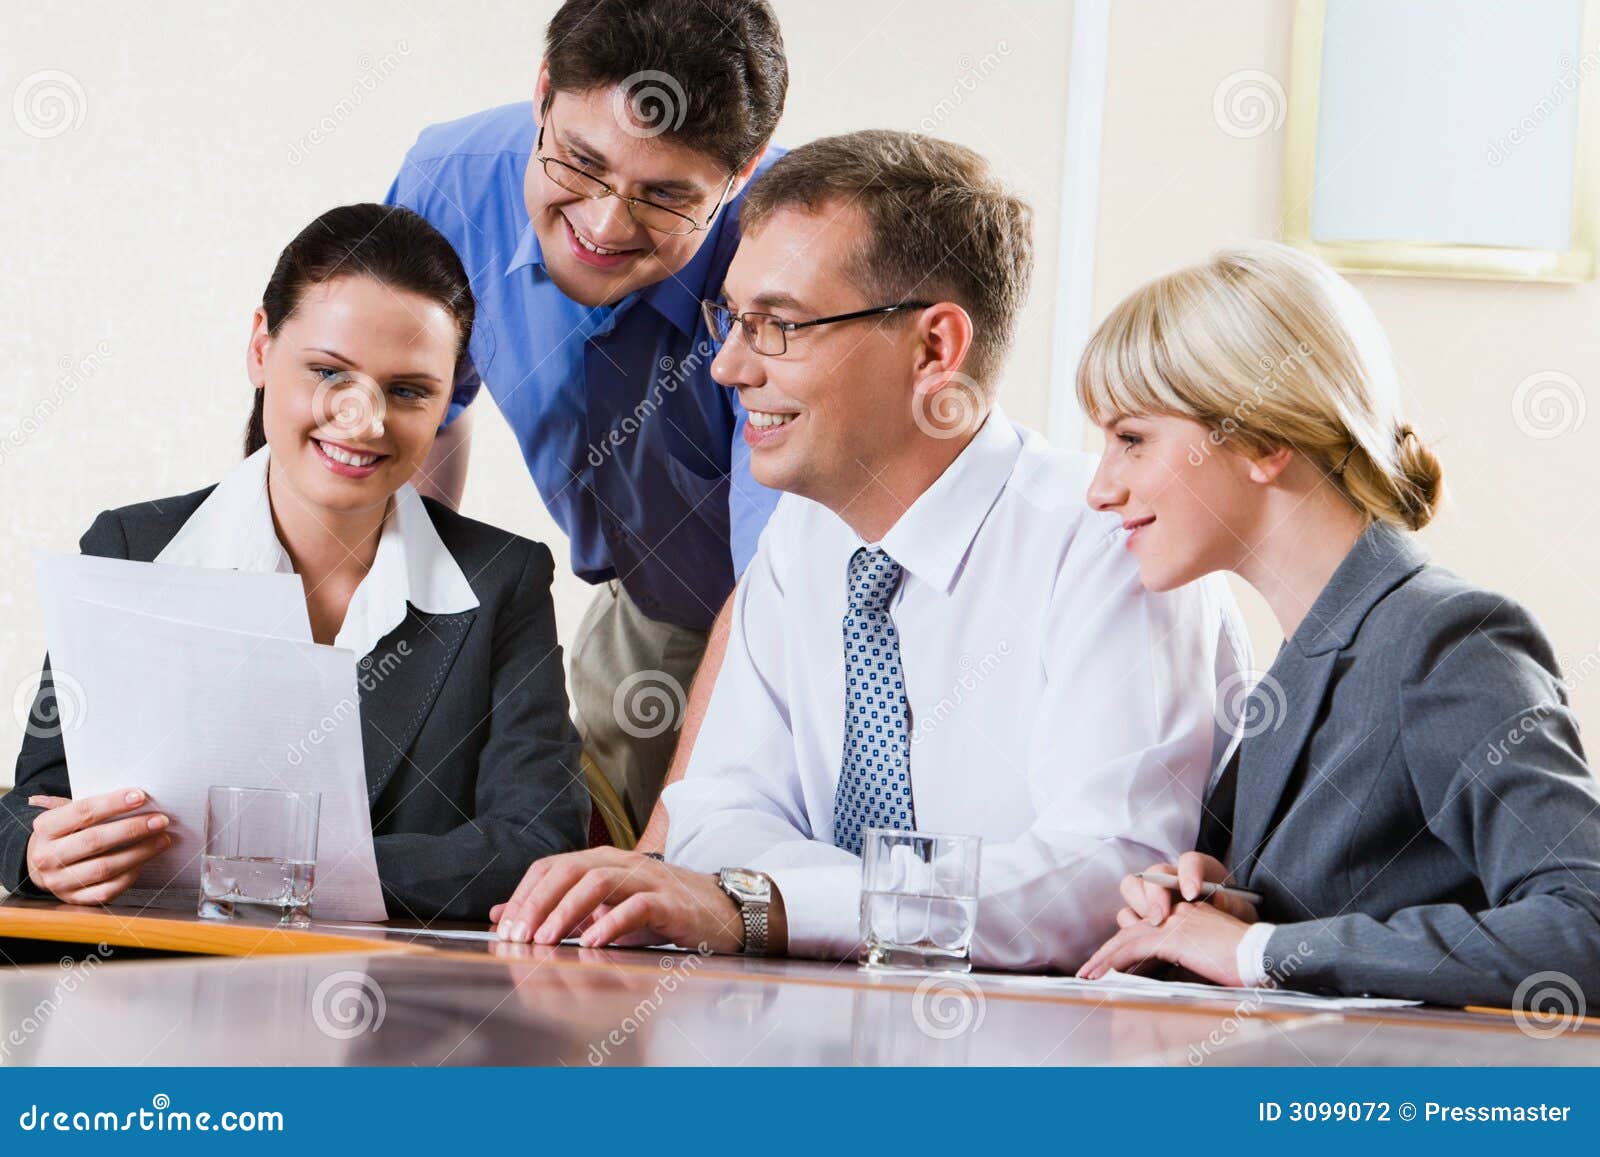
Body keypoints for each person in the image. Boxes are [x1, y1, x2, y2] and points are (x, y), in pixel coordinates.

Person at [486, 131, 1248, 970]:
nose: (729, 366)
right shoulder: (801, 537)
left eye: (777, 324)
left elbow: (1097, 881)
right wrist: (852, 902)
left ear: (934, 350)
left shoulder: (1111, 540)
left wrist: (768, 901)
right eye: (732, 319)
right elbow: (713, 817)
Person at [0, 204, 588, 921]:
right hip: (153, 990)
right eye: (328, 371)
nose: (363, 420)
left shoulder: (504, 578)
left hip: (403, 1010)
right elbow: (31, 801)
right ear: (259, 347)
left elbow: (534, 844)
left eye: (409, 390)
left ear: (446, 400)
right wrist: (37, 849)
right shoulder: (132, 550)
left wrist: (277, 873)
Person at [1074, 242, 1600, 1008]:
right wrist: (1233, 904)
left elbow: (1585, 924)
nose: (1100, 487)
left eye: (1131, 439)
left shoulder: (1447, 641)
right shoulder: (1305, 659)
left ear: (1263, 441)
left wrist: (1262, 948)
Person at [385, 0, 789, 842]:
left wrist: (659, 856)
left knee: (709, 875)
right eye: (581, 161)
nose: (604, 226)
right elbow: (415, 415)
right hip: (638, 596)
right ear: (543, 95)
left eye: (666, 195)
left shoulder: (789, 252)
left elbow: (776, 593)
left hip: (792, 620)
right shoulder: (450, 181)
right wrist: (417, 655)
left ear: (741, 172)